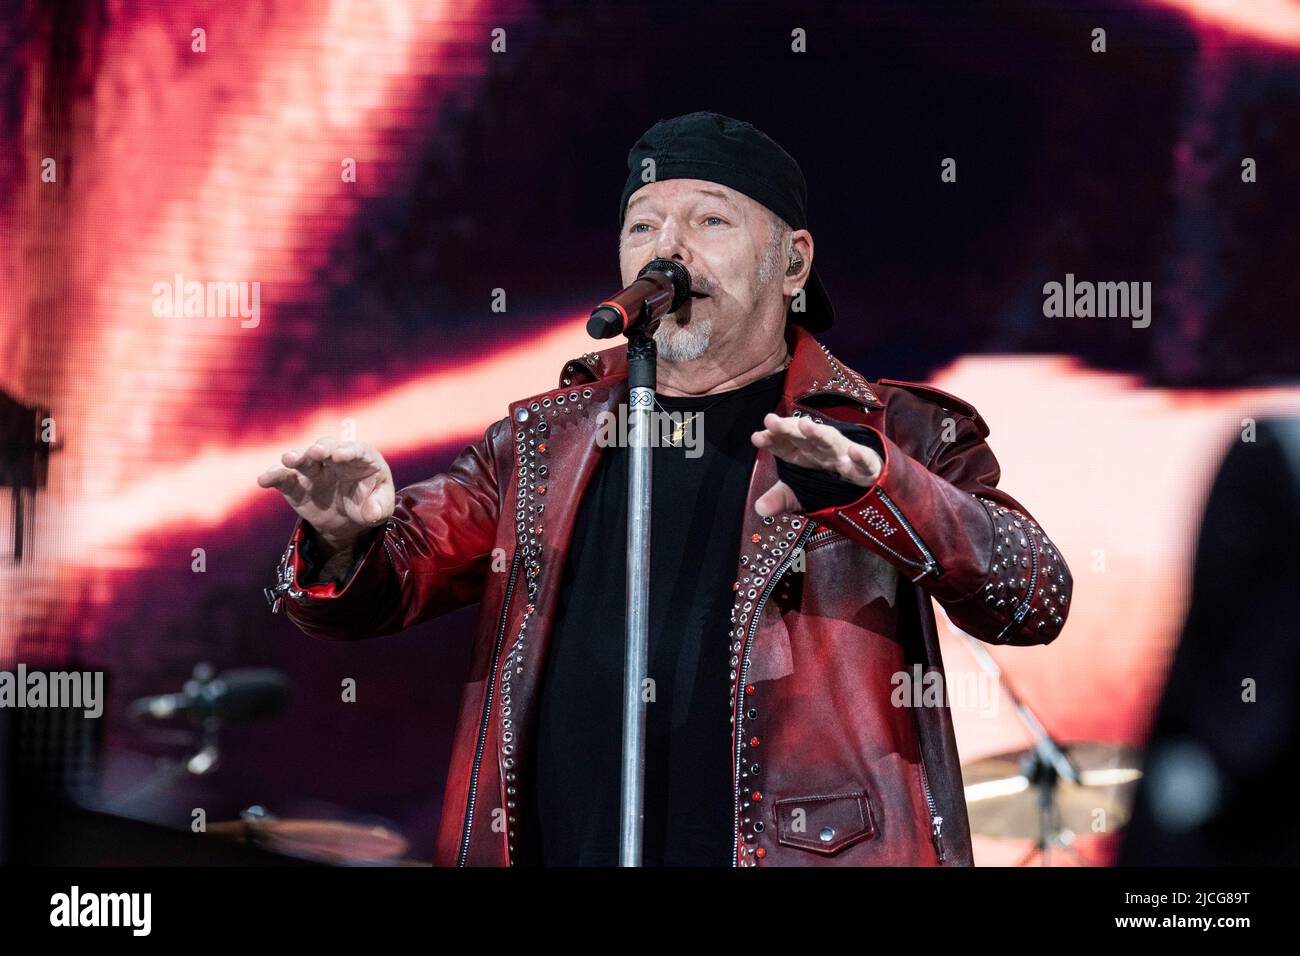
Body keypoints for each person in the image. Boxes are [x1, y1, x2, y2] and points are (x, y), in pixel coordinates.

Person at [257, 111, 1073, 867]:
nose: (666, 250)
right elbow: (385, 587)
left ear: (793, 260)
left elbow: (1032, 596)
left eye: (710, 219)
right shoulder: (540, 443)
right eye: (643, 225)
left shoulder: (896, 429)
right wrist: (343, 536)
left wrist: (881, 487)